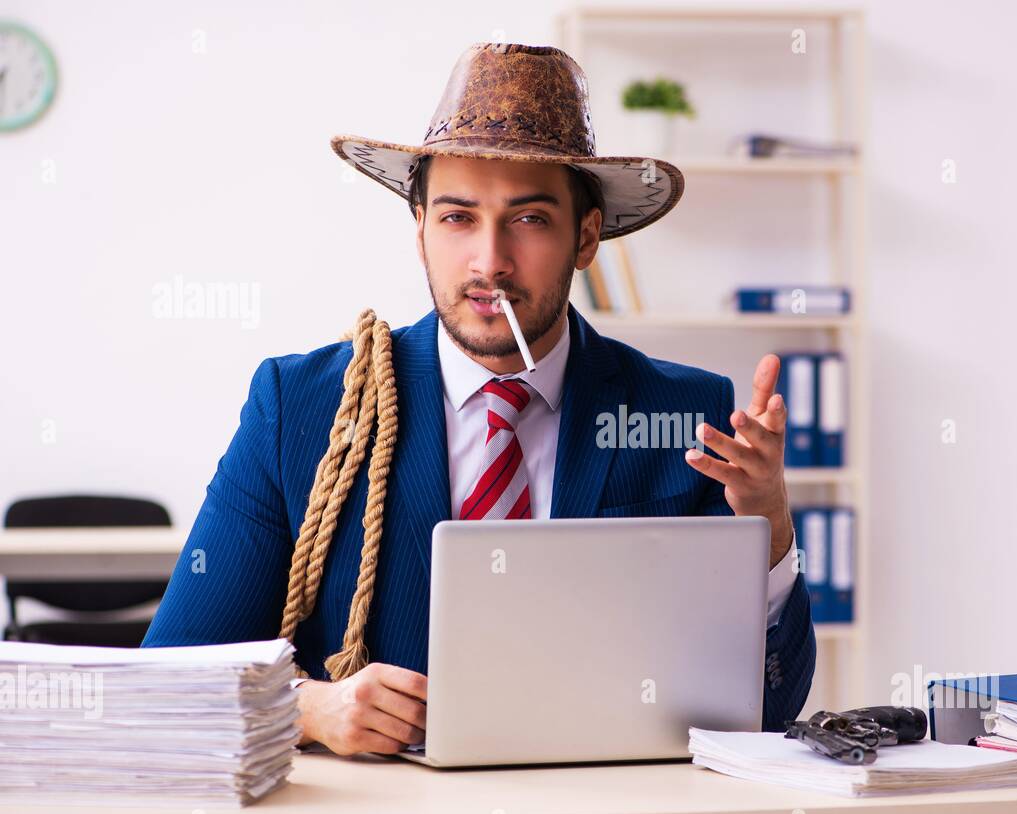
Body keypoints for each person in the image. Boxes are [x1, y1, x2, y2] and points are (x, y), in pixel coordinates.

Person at [142, 43, 816, 756]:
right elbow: (170, 679)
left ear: (586, 237)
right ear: (422, 231)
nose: (489, 260)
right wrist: (308, 706)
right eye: (459, 217)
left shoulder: (682, 416)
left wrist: (769, 528)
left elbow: (768, 710)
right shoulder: (300, 409)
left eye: (528, 220)